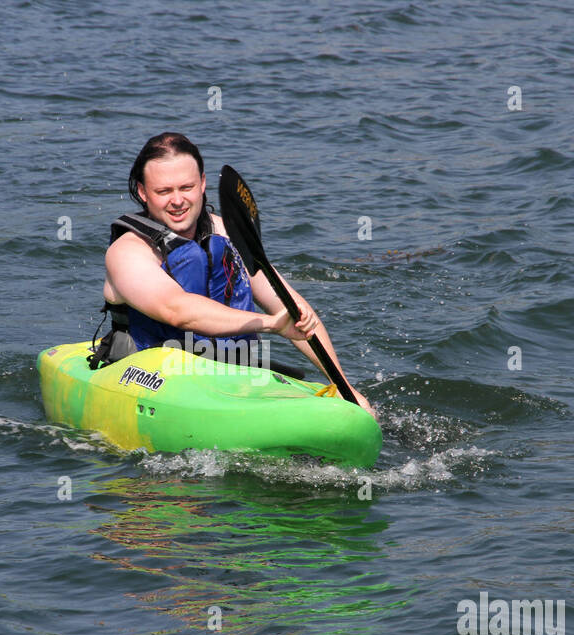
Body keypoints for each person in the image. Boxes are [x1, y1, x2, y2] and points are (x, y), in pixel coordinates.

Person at [96, 131, 376, 419]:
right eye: (164, 191)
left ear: (203, 183)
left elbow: (293, 309)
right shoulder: (128, 251)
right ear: (143, 192)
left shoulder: (228, 235)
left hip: (231, 372)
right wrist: (269, 324)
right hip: (155, 378)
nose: (177, 200)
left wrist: (341, 384)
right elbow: (177, 310)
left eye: (187, 187)